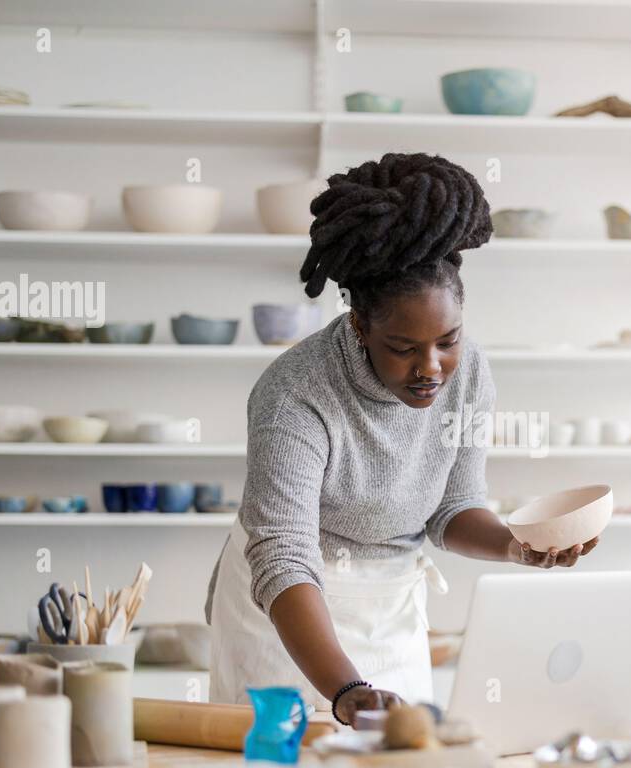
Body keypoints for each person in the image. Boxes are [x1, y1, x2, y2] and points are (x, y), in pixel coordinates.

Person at [207, 153, 598, 727]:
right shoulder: (293, 394)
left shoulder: (470, 375)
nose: (432, 368)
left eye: (448, 340)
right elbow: (283, 556)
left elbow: (452, 509)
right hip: (287, 615)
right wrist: (345, 689)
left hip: (392, 607)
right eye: (404, 348)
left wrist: (519, 545)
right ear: (360, 327)